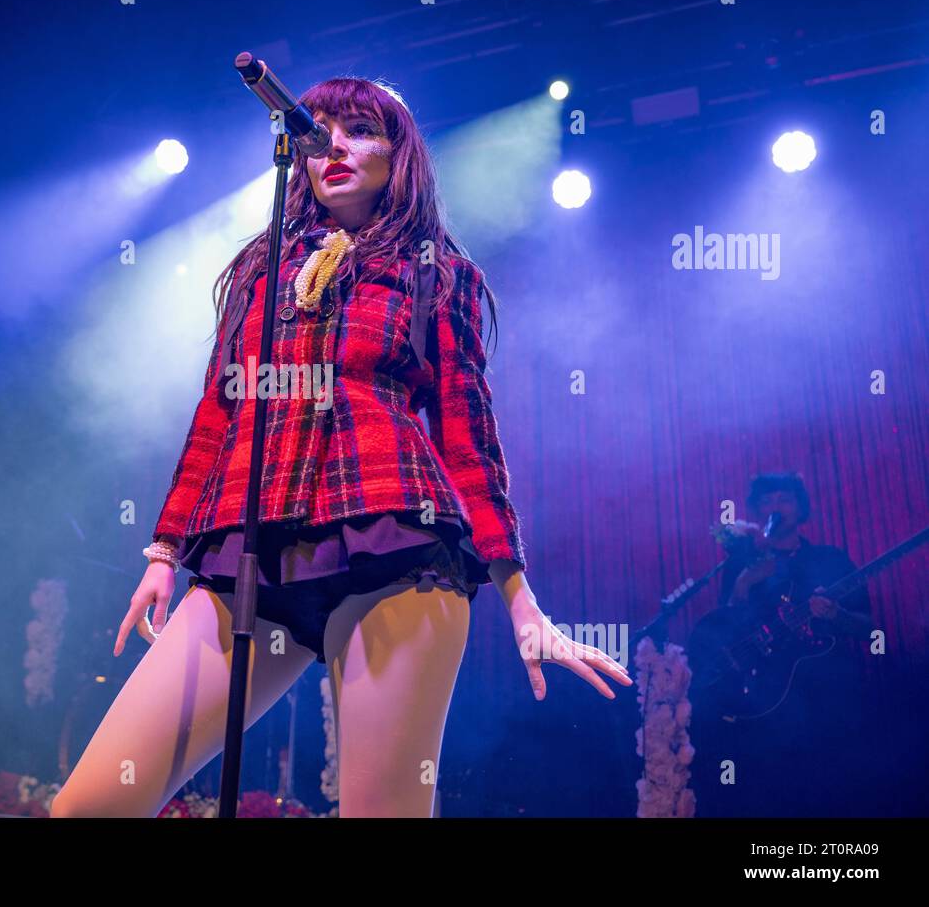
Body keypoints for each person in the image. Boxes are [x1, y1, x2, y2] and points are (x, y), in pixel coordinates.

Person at [51, 77, 630, 819]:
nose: (334, 145)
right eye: (319, 129)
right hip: (252, 550)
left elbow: (468, 437)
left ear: (401, 156)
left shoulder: (435, 272)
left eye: (359, 130)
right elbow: (219, 414)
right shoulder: (260, 269)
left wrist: (521, 601)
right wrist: (166, 551)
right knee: (90, 808)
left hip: (395, 548)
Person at [694, 471, 875, 816]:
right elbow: (723, 632)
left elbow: (869, 628)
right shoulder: (742, 565)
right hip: (765, 701)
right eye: (767, 501)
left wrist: (836, 615)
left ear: (801, 507)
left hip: (828, 697)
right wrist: (744, 585)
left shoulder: (830, 559)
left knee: (838, 793)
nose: (775, 506)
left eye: (784, 498)